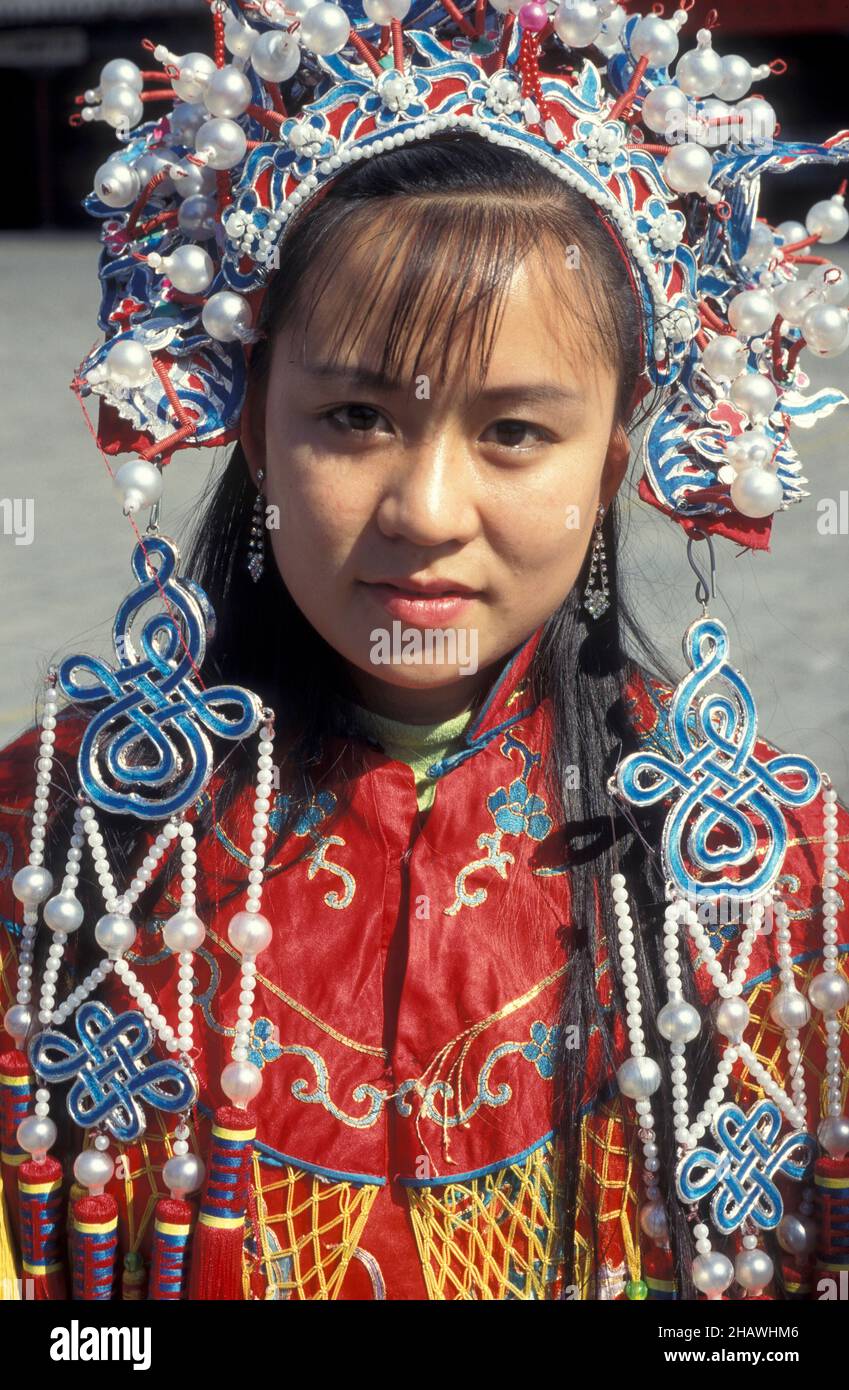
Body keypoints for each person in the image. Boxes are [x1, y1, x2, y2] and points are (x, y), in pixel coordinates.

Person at [0, 0, 848, 1302]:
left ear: (611, 461)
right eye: (352, 415)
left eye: (513, 432)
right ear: (250, 430)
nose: (427, 514)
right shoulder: (50, 838)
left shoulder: (773, 879)